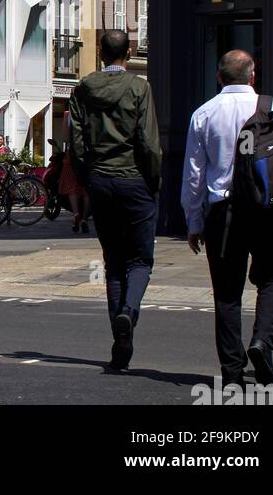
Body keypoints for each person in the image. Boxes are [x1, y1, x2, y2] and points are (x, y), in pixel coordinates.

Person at [182, 49, 273, 386]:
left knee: (227, 294)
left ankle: (232, 372)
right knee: (272, 278)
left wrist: (193, 222)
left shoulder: (203, 114)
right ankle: (262, 341)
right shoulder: (270, 106)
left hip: (224, 213)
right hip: (265, 209)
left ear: (219, 77)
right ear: (252, 75)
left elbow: (193, 176)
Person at [69, 29, 161, 372]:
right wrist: (154, 180)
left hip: (101, 180)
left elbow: (76, 143)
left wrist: (86, 179)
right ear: (130, 51)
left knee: (114, 263)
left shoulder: (83, 90)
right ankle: (129, 311)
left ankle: (119, 347)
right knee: (140, 259)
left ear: (100, 52)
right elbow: (149, 142)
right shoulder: (139, 88)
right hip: (134, 178)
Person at [59, 112, 89, 234]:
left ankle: (76, 214)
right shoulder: (90, 110)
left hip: (72, 154)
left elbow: (65, 138)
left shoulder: (68, 115)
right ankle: (85, 218)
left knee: (71, 186)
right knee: (87, 188)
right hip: (88, 154)